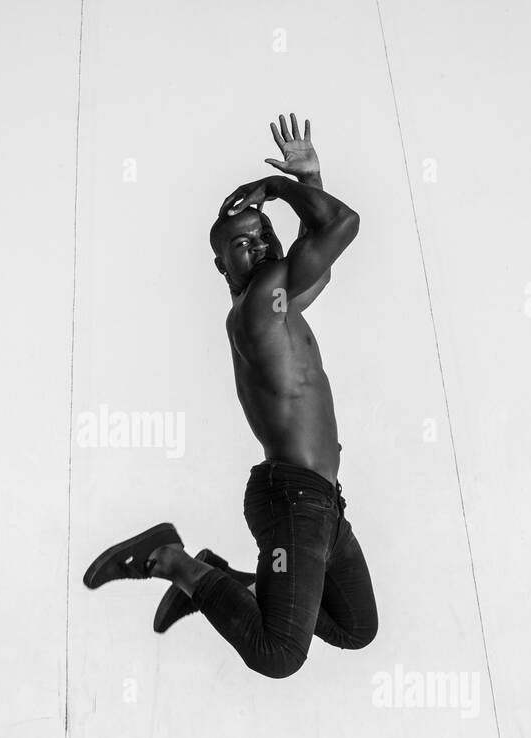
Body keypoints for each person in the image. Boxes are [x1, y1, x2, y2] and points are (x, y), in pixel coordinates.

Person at [84, 114, 378, 678]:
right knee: (278, 654)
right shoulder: (262, 299)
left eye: (265, 235)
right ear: (224, 266)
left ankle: (221, 576)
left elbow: (323, 261)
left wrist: (309, 179)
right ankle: (170, 560)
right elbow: (343, 224)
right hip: (294, 501)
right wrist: (277, 188)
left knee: (355, 627)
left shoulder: (274, 303)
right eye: (246, 242)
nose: (262, 243)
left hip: (320, 503)